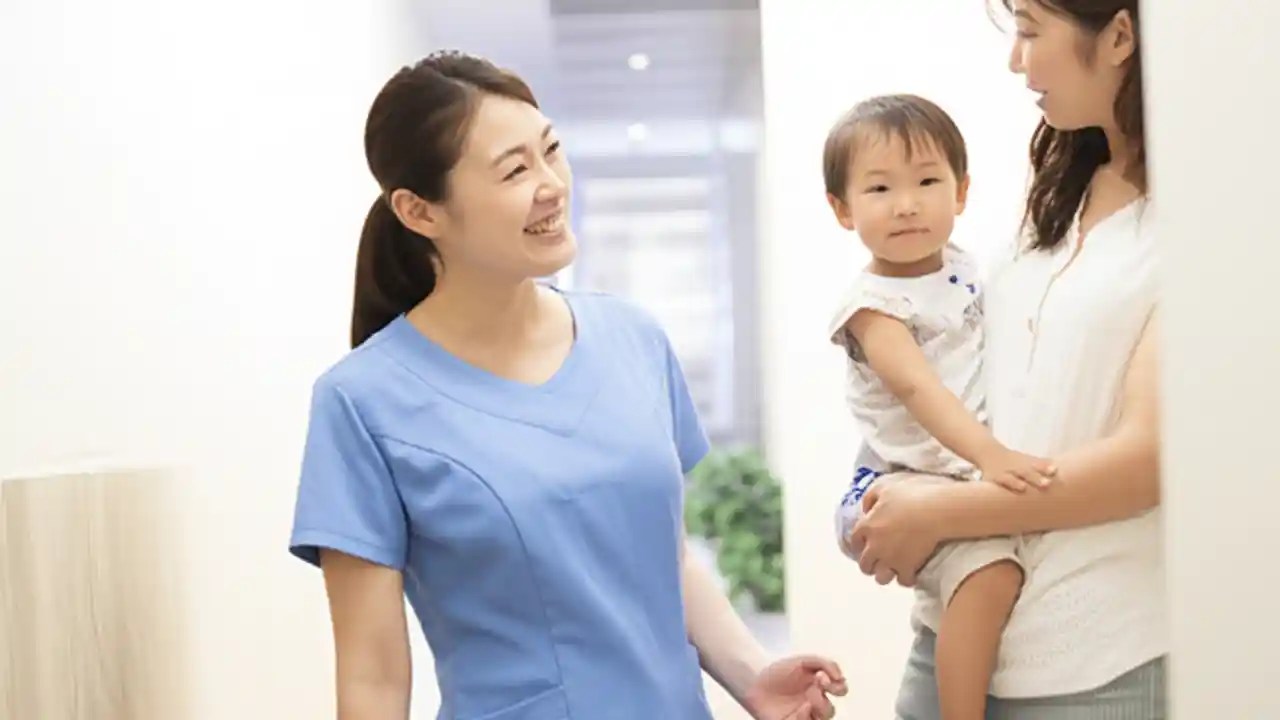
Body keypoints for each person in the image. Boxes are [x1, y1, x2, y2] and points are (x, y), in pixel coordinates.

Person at [287, 51, 848, 720]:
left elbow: (658, 557)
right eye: (515, 170)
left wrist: (752, 675)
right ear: (420, 211)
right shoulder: (361, 402)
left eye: (552, 151)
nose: (551, 184)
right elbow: (373, 678)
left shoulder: (632, 338)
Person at [839, 1, 1164, 718]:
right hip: (959, 621)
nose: (1015, 60)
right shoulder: (1064, 183)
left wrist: (939, 510)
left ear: (1117, 36)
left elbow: (1148, 464)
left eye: (1028, 31)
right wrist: (887, 489)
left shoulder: (1197, 215)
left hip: (1091, 655)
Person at [823, 94, 1057, 720]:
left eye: (928, 181)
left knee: (980, 582)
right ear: (842, 209)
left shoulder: (964, 269)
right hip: (891, 486)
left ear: (961, 192)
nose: (907, 203)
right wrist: (992, 456)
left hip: (949, 475)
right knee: (991, 575)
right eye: (879, 189)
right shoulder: (872, 309)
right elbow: (919, 391)